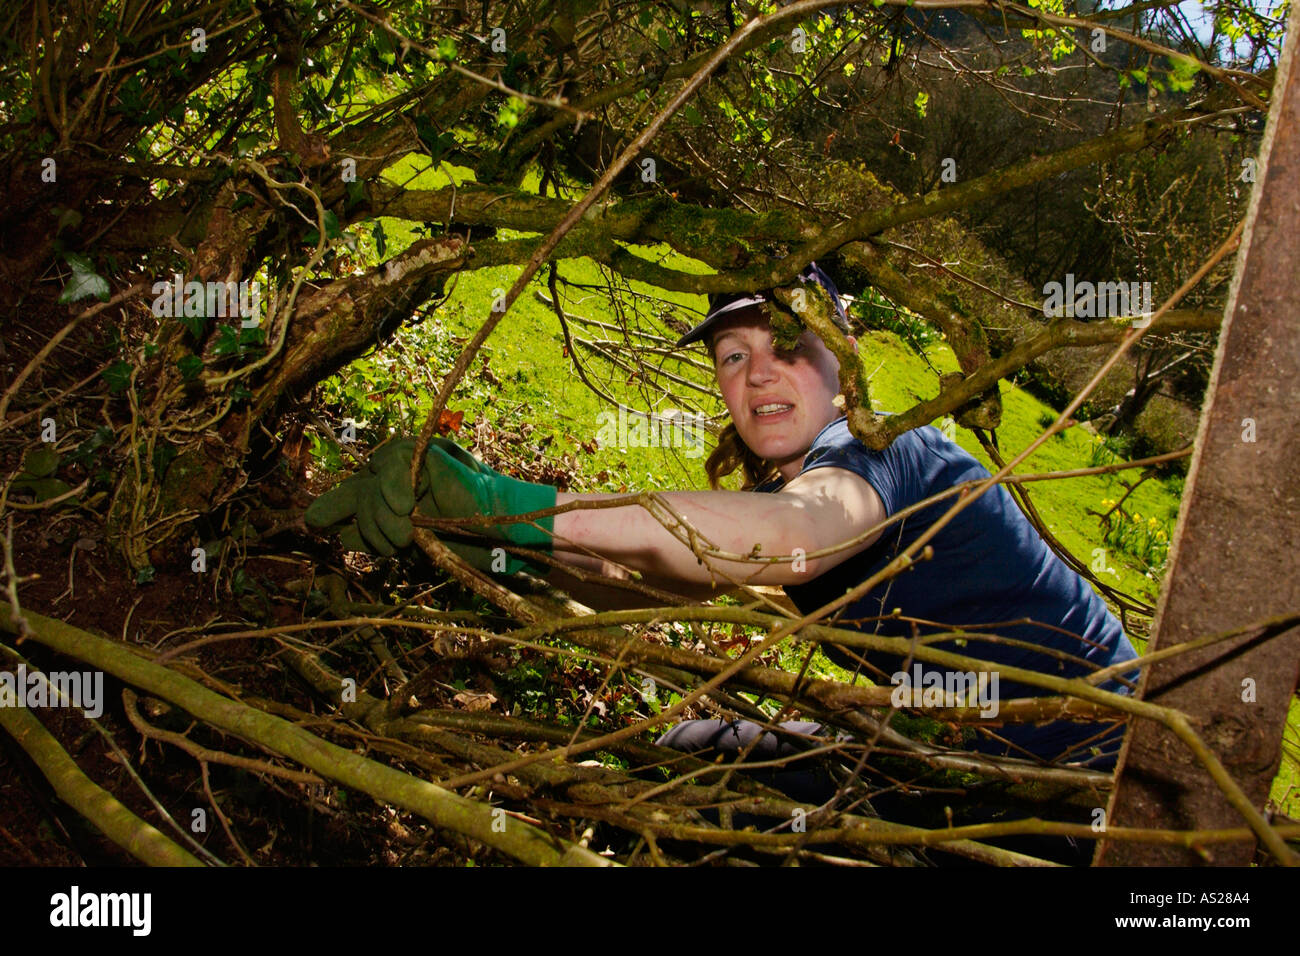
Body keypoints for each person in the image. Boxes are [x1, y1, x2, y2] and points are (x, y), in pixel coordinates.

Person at [305, 262, 1140, 783]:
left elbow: (797, 540)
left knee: (725, 783)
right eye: (733, 356)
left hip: (1091, 764)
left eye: (785, 344)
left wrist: (511, 507)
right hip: (957, 741)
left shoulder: (885, 449)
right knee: (695, 749)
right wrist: (500, 544)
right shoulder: (797, 478)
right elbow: (645, 581)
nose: (758, 372)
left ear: (843, 359)